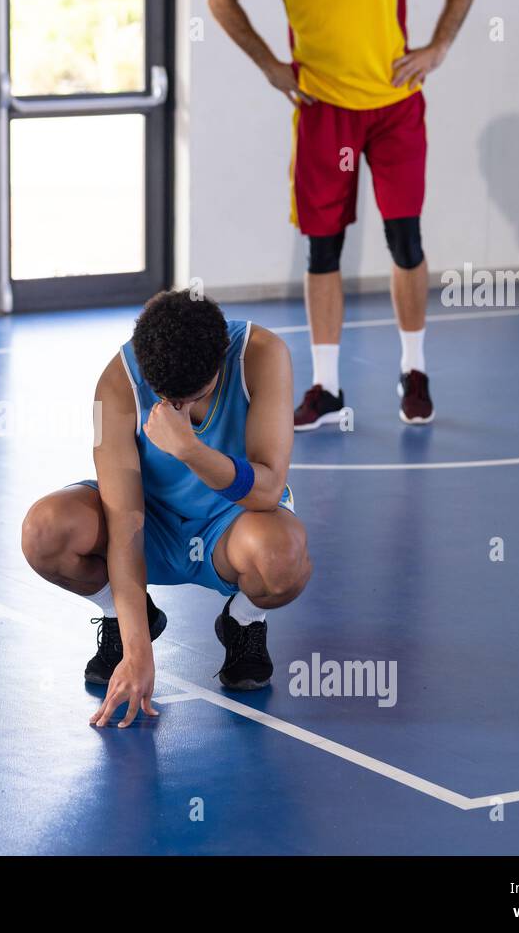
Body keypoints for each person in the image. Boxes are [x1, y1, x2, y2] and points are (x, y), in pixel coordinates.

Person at [21, 290, 312, 729]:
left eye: (196, 396)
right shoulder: (115, 385)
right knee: (44, 531)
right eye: (167, 399)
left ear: (222, 359)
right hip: (151, 523)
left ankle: (244, 621)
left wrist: (190, 449)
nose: (181, 411)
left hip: (231, 525)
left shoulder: (264, 355)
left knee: (283, 557)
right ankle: (124, 617)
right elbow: (125, 523)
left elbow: (268, 490)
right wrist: (140, 652)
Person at [209, 0, 477, 428]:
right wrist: (269, 66)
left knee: (405, 240)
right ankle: (328, 388)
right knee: (323, 248)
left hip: (396, 103)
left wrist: (439, 47)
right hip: (324, 108)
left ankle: (414, 370)